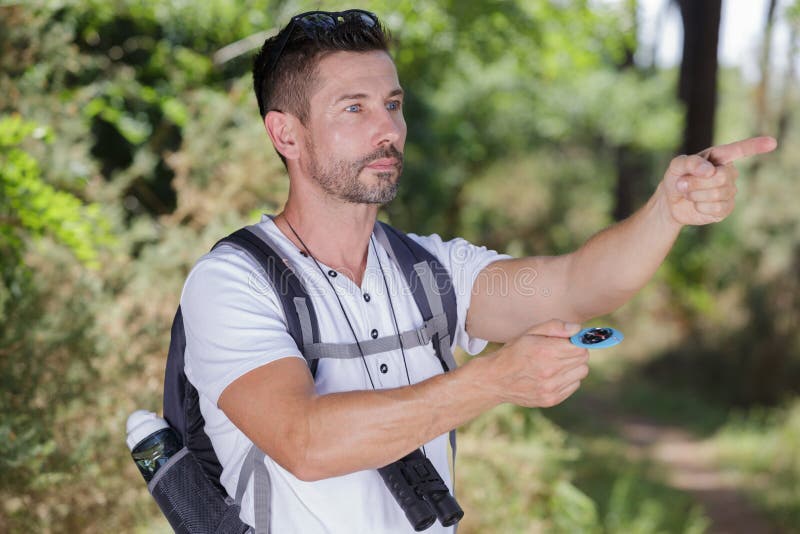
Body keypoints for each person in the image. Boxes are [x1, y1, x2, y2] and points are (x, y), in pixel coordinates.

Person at [179, 9, 777, 533]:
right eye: (353, 108)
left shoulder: (430, 270)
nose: (387, 129)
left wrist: (666, 209)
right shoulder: (233, 282)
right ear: (286, 133)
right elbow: (304, 442)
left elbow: (575, 286)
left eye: (392, 104)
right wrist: (493, 380)